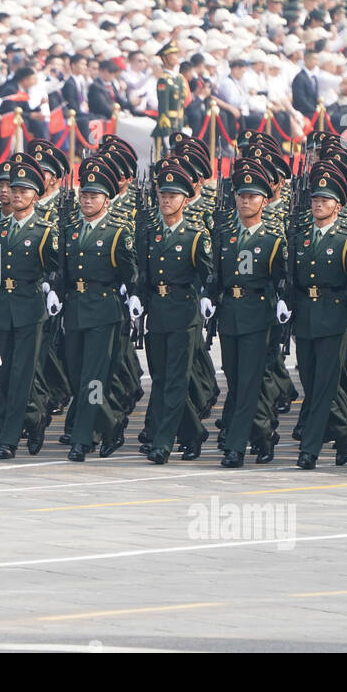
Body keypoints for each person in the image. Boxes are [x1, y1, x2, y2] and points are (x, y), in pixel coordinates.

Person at [288, 164, 347, 469]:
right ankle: (344, 429)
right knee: (309, 380)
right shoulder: (300, 236)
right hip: (305, 315)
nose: (318, 204)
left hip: (334, 317)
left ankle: (310, 449)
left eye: (325, 200)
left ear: (338, 205)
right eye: (315, 199)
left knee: (324, 385)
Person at [213, 159, 287, 468]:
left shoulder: (272, 240)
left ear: (265, 200)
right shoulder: (225, 235)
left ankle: (236, 447)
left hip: (258, 316)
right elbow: (215, 277)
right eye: (241, 195)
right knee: (234, 379)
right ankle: (262, 434)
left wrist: (282, 303)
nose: (245, 201)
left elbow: (281, 280)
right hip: (230, 314)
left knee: (248, 384)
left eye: (252, 196)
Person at [61, 162, 137, 462]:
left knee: (93, 379)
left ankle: (82, 440)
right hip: (75, 309)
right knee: (77, 376)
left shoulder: (118, 232)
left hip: (103, 310)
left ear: (107, 200)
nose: (87, 200)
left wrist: (129, 295)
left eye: (94, 196)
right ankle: (111, 423)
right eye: (85, 195)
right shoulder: (70, 228)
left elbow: (130, 273)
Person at [137, 160, 212, 464]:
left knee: (176, 381)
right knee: (161, 378)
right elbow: (143, 275)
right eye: (163, 195)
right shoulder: (151, 233)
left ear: (185, 199)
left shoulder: (195, 235)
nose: (166, 201)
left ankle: (163, 442)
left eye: (173, 196)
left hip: (183, 314)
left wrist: (205, 298)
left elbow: (208, 275)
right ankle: (193, 433)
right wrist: (138, 299)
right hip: (157, 312)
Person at [0, 160, 59, 459]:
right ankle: (36, 417)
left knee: (21, 374)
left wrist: (51, 289)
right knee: (2, 371)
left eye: (23, 190)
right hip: (3, 306)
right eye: (13, 189)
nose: (15, 194)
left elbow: (57, 268)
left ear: (36, 195)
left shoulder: (45, 230)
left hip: (30, 307)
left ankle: (10, 438)